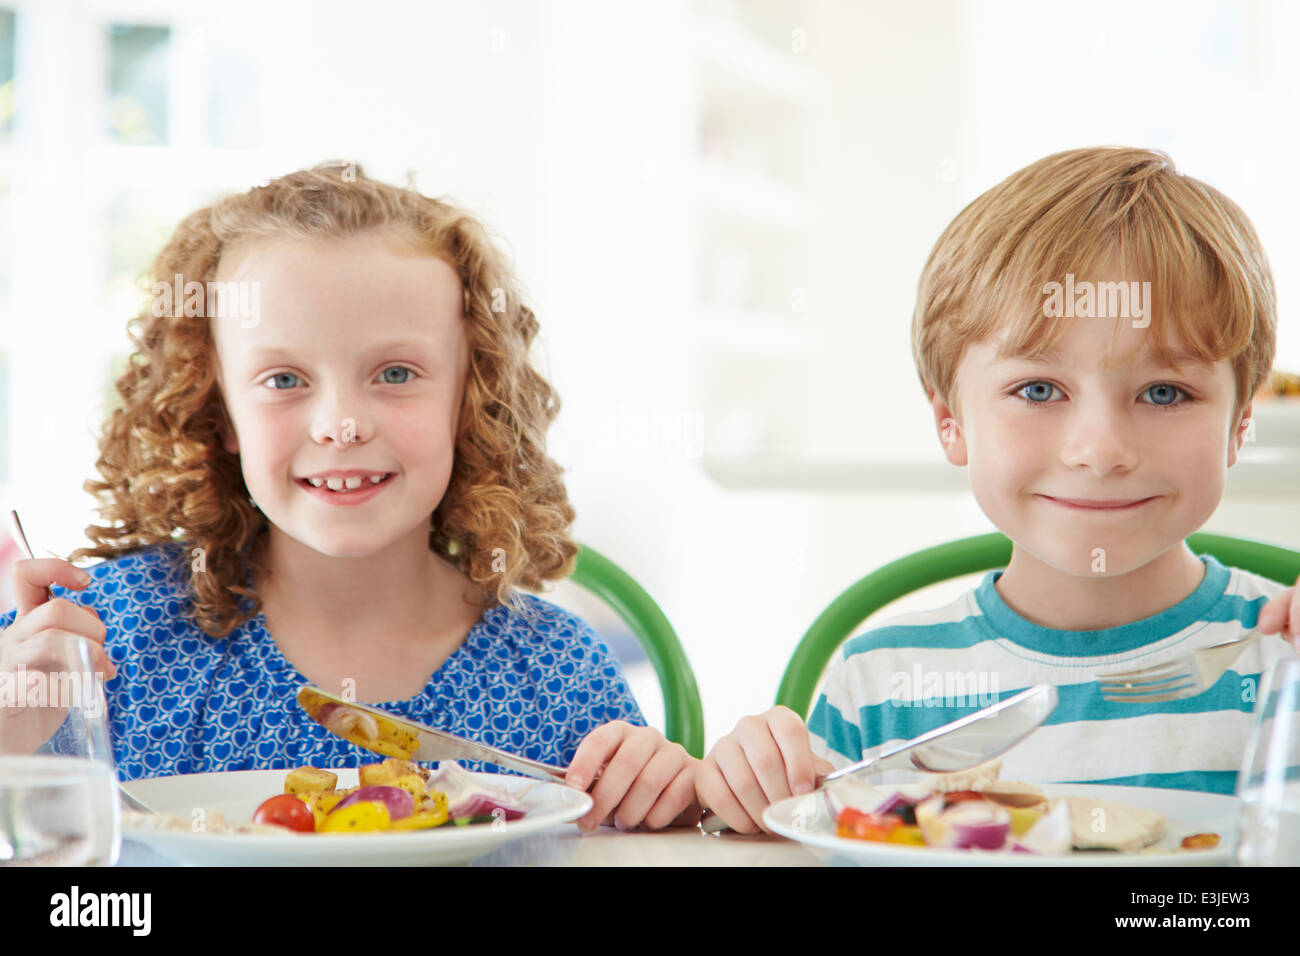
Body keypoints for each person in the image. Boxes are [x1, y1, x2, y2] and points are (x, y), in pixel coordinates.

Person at [0, 161, 698, 832]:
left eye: (395, 372)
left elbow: (630, 844)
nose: (341, 423)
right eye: (283, 379)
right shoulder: (100, 643)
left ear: (469, 398)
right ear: (218, 411)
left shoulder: (555, 672)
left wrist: (675, 807)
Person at [696, 146, 1300, 834]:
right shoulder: (880, 687)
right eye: (1038, 390)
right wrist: (739, 798)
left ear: (1240, 421)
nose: (1099, 450)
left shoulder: (1287, 666)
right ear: (950, 421)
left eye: (1165, 391)